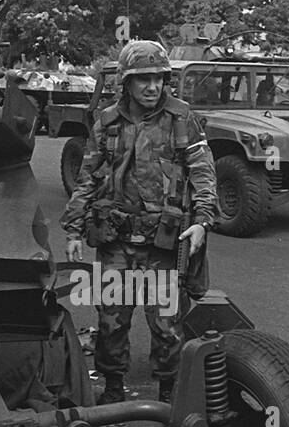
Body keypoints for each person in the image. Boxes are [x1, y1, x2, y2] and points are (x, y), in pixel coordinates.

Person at [61, 40, 218, 404]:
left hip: (163, 241)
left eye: (158, 79)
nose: (152, 87)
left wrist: (203, 221)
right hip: (115, 236)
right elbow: (88, 176)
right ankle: (113, 388)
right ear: (127, 83)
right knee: (111, 319)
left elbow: (203, 175)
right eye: (142, 79)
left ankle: (167, 392)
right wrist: (73, 228)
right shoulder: (108, 122)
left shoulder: (182, 121)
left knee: (166, 322)